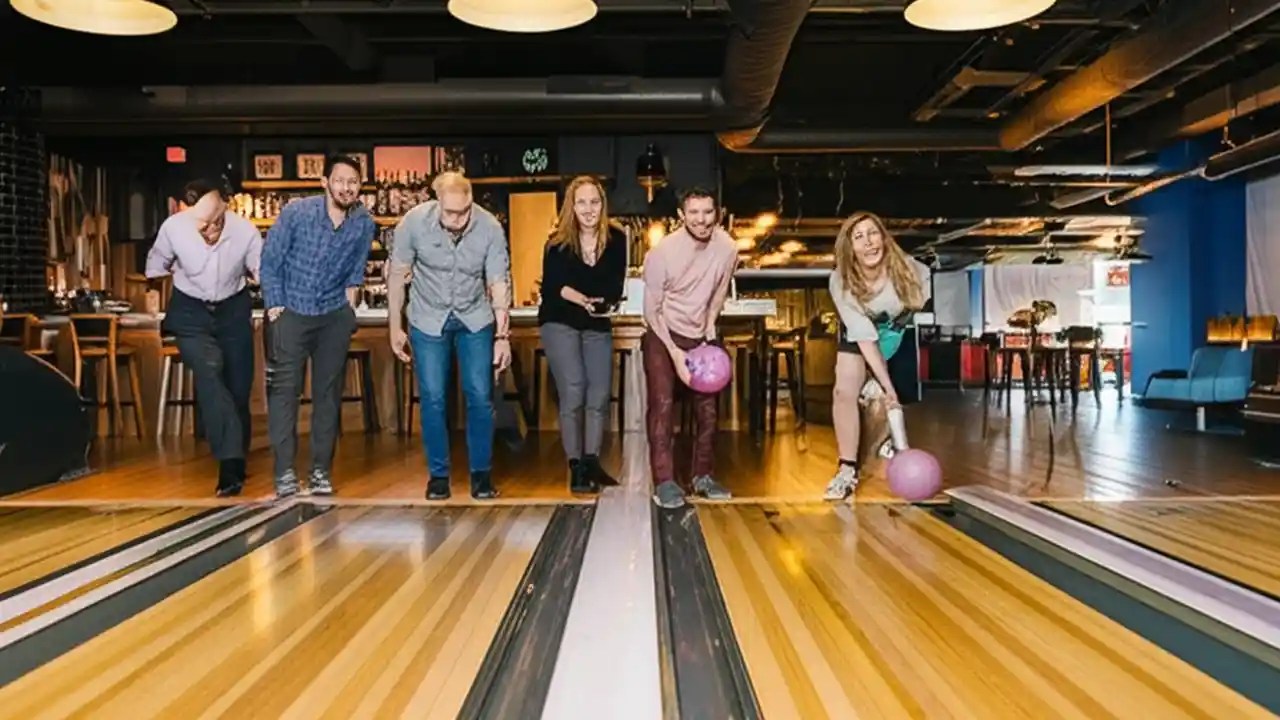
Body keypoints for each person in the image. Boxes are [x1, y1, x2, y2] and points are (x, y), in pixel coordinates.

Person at [387, 171, 511, 501]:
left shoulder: (490, 227)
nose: (458, 219)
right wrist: (394, 327)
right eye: (450, 212)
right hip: (428, 318)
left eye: (464, 211)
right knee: (433, 396)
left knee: (480, 394)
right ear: (436, 201)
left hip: (474, 317)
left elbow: (498, 281)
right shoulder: (413, 223)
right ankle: (438, 476)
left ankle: (481, 475)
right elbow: (397, 276)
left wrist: (502, 335)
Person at [260, 154, 375, 497]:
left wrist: (349, 313)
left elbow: (356, 273)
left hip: (333, 315)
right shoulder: (297, 213)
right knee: (285, 394)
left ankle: (321, 471)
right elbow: (270, 262)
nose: (346, 187)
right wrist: (275, 307)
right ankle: (284, 474)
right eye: (339, 180)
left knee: (328, 395)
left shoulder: (364, 223)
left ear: (359, 187)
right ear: (324, 182)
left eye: (353, 182)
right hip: (292, 310)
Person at [146, 179, 262, 497]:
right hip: (190, 313)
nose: (211, 232)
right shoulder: (173, 229)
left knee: (238, 387)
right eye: (203, 226)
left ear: (227, 205)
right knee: (210, 371)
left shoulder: (246, 232)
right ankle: (230, 464)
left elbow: (262, 272)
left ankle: (237, 452)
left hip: (233, 310)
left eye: (217, 222)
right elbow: (155, 269)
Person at [643, 188, 738, 509]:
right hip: (663, 333)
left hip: (700, 334)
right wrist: (675, 354)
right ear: (682, 216)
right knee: (663, 404)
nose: (701, 219)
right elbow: (651, 311)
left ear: (718, 213)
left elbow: (719, 291)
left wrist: (709, 330)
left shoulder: (727, 248)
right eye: (694, 213)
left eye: (708, 212)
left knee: (708, 411)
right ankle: (665, 482)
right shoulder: (662, 253)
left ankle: (703, 476)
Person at [825, 210, 931, 500]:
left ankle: (885, 441)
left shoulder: (913, 270)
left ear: (884, 238)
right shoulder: (841, 281)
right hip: (863, 333)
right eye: (858, 237)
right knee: (844, 392)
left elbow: (916, 305)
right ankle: (847, 471)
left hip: (897, 329)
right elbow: (865, 338)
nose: (868, 242)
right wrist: (881, 379)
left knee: (889, 401)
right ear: (850, 248)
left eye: (873, 233)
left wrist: (887, 387)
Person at [538, 176, 627, 494]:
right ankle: (575, 466)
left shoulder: (617, 238)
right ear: (570, 207)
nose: (588, 209)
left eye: (594, 202)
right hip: (560, 320)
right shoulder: (557, 243)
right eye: (581, 202)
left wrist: (595, 301)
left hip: (597, 322)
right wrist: (585, 299)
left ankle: (591, 461)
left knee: (599, 393)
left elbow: (615, 285)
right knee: (574, 389)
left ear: (603, 205)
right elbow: (554, 287)